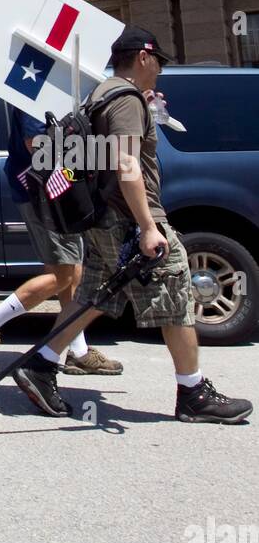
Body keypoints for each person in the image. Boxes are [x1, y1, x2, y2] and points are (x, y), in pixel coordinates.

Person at [13, 27, 253, 423]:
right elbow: (126, 165)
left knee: (95, 296)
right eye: (158, 60)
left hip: (106, 217)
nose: (160, 69)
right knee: (177, 293)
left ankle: (41, 365)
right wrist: (147, 226)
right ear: (143, 57)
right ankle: (193, 392)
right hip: (128, 219)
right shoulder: (124, 100)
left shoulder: (104, 93)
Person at [0, 106, 122, 377]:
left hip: (58, 190)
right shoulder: (37, 91)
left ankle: (79, 351)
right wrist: (88, 153)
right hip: (44, 191)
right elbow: (35, 145)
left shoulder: (55, 85)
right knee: (63, 273)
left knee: (73, 271)